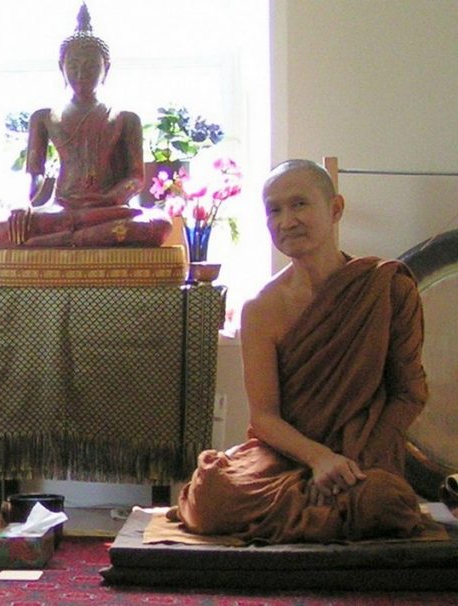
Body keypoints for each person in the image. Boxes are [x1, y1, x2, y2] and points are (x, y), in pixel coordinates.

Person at [172, 159, 430, 543]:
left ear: (335, 209)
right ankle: (329, 507)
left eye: (299, 205)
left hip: (363, 451)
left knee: (383, 500)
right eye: (274, 210)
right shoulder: (261, 308)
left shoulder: (386, 288)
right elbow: (264, 417)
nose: (286, 220)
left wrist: (352, 464)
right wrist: (320, 459)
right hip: (287, 454)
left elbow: (408, 393)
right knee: (212, 496)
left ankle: (327, 501)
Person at [0, 3, 171, 248]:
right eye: (73, 66)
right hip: (61, 209)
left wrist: (108, 200)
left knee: (159, 223)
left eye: (91, 66)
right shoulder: (44, 117)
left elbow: (135, 178)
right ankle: (78, 237)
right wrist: (22, 201)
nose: (81, 73)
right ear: (62, 68)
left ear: (106, 69)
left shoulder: (126, 118)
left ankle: (62, 241)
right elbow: (34, 173)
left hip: (106, 210)